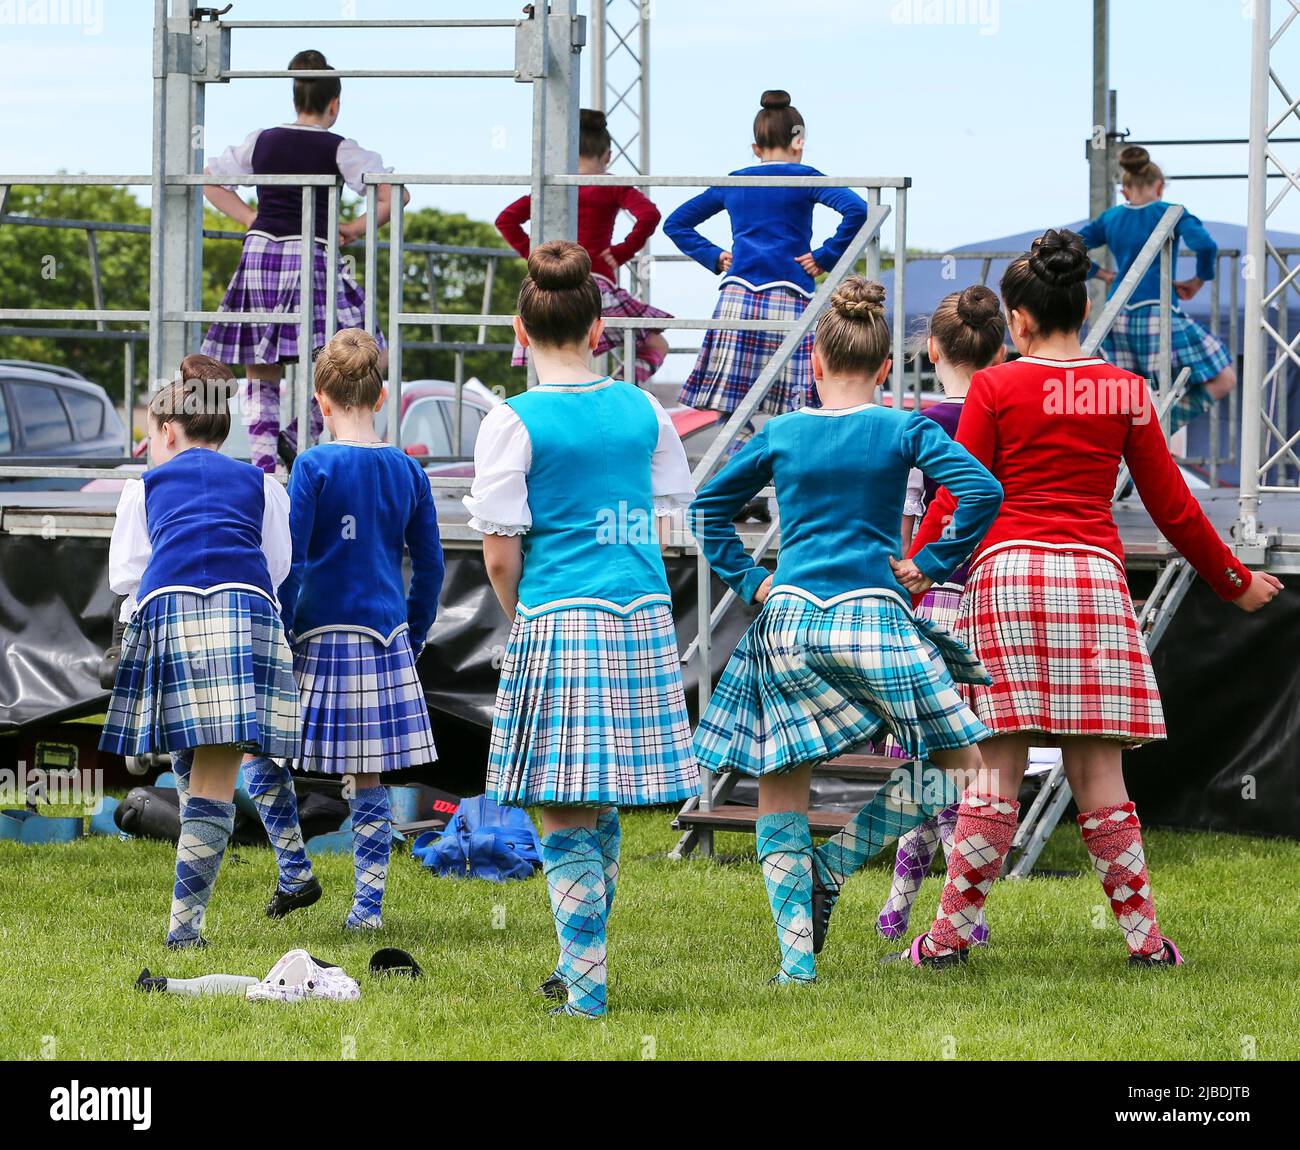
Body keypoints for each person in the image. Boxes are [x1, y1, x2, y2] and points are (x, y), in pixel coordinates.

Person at [893, 228, 1283, 968]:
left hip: (1006, 579)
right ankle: (1144, 941)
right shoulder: (1126, 392)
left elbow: (959, 495)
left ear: (1020, 321)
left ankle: (945, 941)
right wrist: (1234, 581)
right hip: (1094, 585)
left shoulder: (996, 388)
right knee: (1101, 774)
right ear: (1085, 304)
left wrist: (916, 567)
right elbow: (1174, 509)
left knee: (993, 772)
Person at [689, 277, 1003, 986]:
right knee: (965, 767)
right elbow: (984, 490)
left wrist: (753, 580)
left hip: (792, 618)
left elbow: (706, 507)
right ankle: (837, 860)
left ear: (816, 366)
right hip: (877, 616)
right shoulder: (905, 427)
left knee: (780, 785)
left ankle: (796, 966)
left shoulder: (783, 433)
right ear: (887, 368)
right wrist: (929, 565)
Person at [464, 241, 699, 1018]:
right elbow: (666, 510)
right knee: (595, 800)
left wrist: (524, 616)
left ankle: (587, 988)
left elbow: (501, 556)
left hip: (560, 611)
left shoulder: (513, 420)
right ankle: (581, 965)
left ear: (520, 331)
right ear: (601, 330)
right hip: (640, 610)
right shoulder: (644, 407)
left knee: (563, 803)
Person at [101, 357, 301, 947]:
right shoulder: (262, 485)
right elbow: (278, 566)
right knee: (214, 771)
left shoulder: (142, 489)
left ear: (167, 430)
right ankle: (184, 930)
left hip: (170, 614)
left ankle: (184, 933)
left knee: (195, 762)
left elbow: (127, 577)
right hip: (244, 616)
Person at [277, 329, 444, 931]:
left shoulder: (313, 465)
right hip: (386, 634)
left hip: (315, 632)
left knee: (259, 751)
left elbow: (291, 561)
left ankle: (295, 867)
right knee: (367, 776)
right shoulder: (407, 469)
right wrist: (415, 631)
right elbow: (430, 564)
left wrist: (280, 624)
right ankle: (366, 909)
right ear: (381, 395)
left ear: (320, 399)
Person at [200, 49, 407, 473]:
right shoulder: (339, 147)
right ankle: (296, 435)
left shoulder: (262, 140)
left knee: (261, 365)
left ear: (295, 98)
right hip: (309, 255)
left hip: (260, 254)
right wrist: (356, 227)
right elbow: (396, 195)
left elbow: (210, 178)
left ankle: (263, 468)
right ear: (334, 105)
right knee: (362, 352)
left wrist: (250, 217)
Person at [876, 285, 1006, 945]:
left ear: (931, 350)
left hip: (929, 599)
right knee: (968, 762)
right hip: (989, 600)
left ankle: (905, 896)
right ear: (1002, 346)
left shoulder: (920, 424)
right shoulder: (1011, 414)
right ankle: (965, 912)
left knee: (918, 756)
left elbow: (905, 525)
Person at [665, 90, 868, 440]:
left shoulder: (737, 180)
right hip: (788, 297)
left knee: (732, 406)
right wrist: (825, 256)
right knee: (796, 401)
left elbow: (676, 223)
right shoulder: (804, 177)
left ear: (755, 148)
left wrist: (713, 256)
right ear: (799, 142)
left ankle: (739, 466)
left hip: (737, 298)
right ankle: (785, 471)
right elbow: (858, 210)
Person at [496, 108, 671, 384]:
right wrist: (621, 252)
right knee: (655, 343)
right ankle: (623, 392)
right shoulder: (611, 185)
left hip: (550, 286)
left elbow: (505, 220)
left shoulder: (553, 186)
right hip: (597, 282)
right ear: (607, 156)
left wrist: (540, 260)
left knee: (553, 354)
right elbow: (649, 215)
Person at [1079, 145, 1234, 433]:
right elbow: (1206, 246)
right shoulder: (1171, 213)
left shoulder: (1111, 218)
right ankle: (1161, 429)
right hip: (1157, 312)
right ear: (1160, 186)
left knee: (1124, 398)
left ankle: (1124, 448)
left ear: (1124, 190)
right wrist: (1199, 280)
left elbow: (1072, 245)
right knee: (1223, 377)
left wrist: (1101, 274)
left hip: (1118, 317)